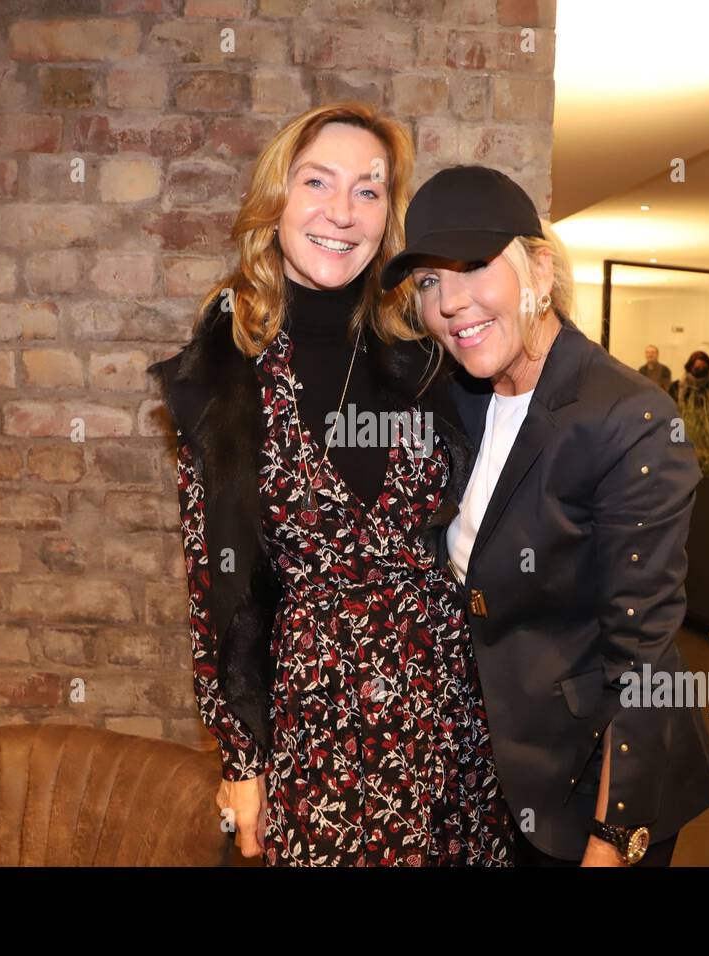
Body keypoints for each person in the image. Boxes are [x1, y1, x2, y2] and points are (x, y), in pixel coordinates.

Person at [149, 105, 514, 866]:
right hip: (319, 730)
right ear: (276, 198)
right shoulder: (221, 379)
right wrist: (242, 760)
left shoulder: (431, 354)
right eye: (318, 182)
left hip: (457, 712)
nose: (342, 212)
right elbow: (217, 585)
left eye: (368, 191)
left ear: (388, 219)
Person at [381, 165, 709, 868]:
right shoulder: (461, 396)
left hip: (597, 777)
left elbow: (644, 657)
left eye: (476, 266)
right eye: (429, 281)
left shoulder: (628, 418)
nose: (450, 302)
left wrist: (612, 838)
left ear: (539, 269)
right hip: (503, 769)